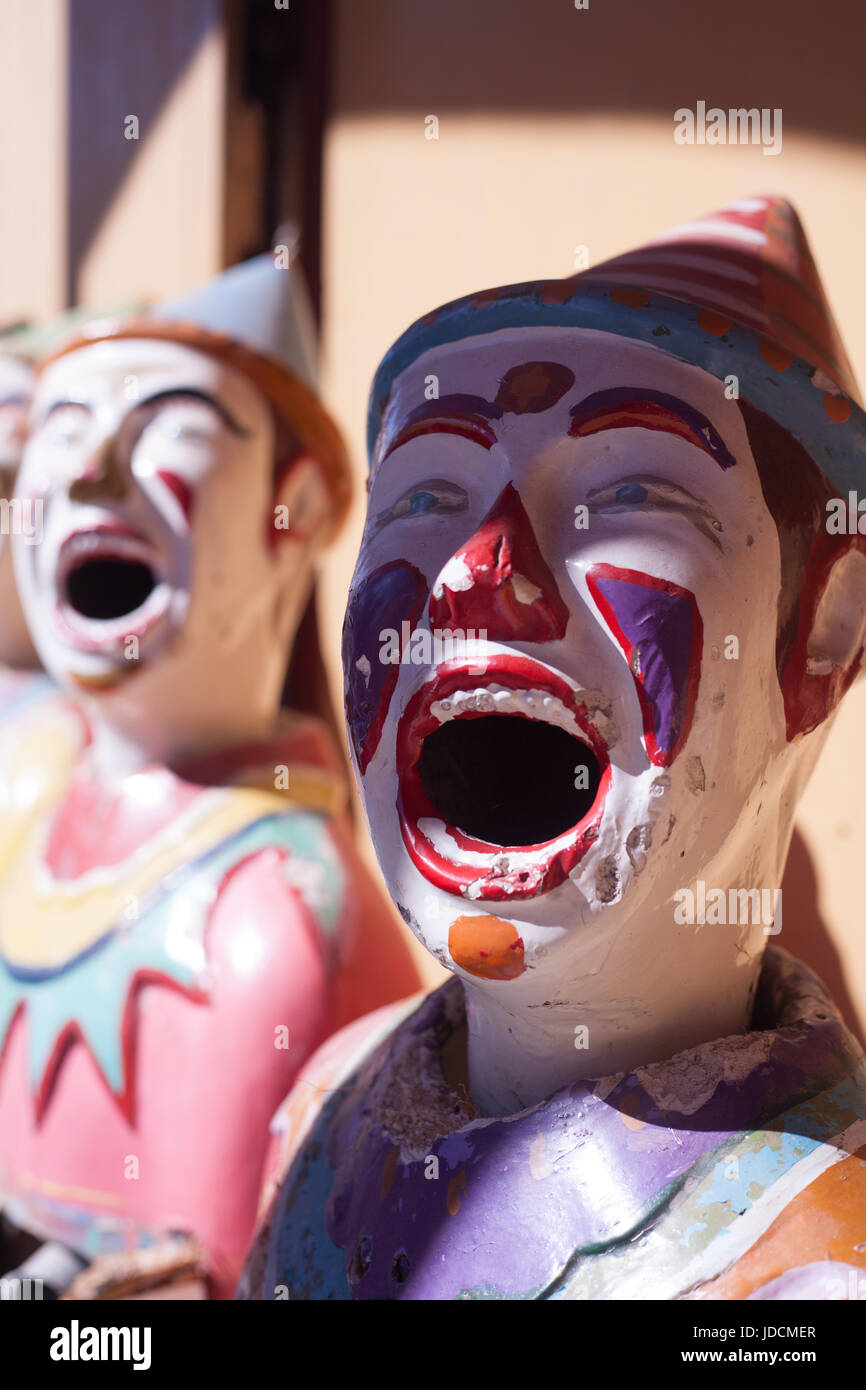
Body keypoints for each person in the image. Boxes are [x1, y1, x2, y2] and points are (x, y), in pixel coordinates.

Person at [240, 198, 866, 1301]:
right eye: (423, 499)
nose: (484, 570)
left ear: (825, 621)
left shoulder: (807, 1274)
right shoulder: (317, 1113)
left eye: (629, 494)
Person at [0, 252, 419, 1299]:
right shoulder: (30, 766)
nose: (93, 470)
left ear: (300, 508)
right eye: (59, 434)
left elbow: (188, 1290)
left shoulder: (261, 920)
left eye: (171, 426)